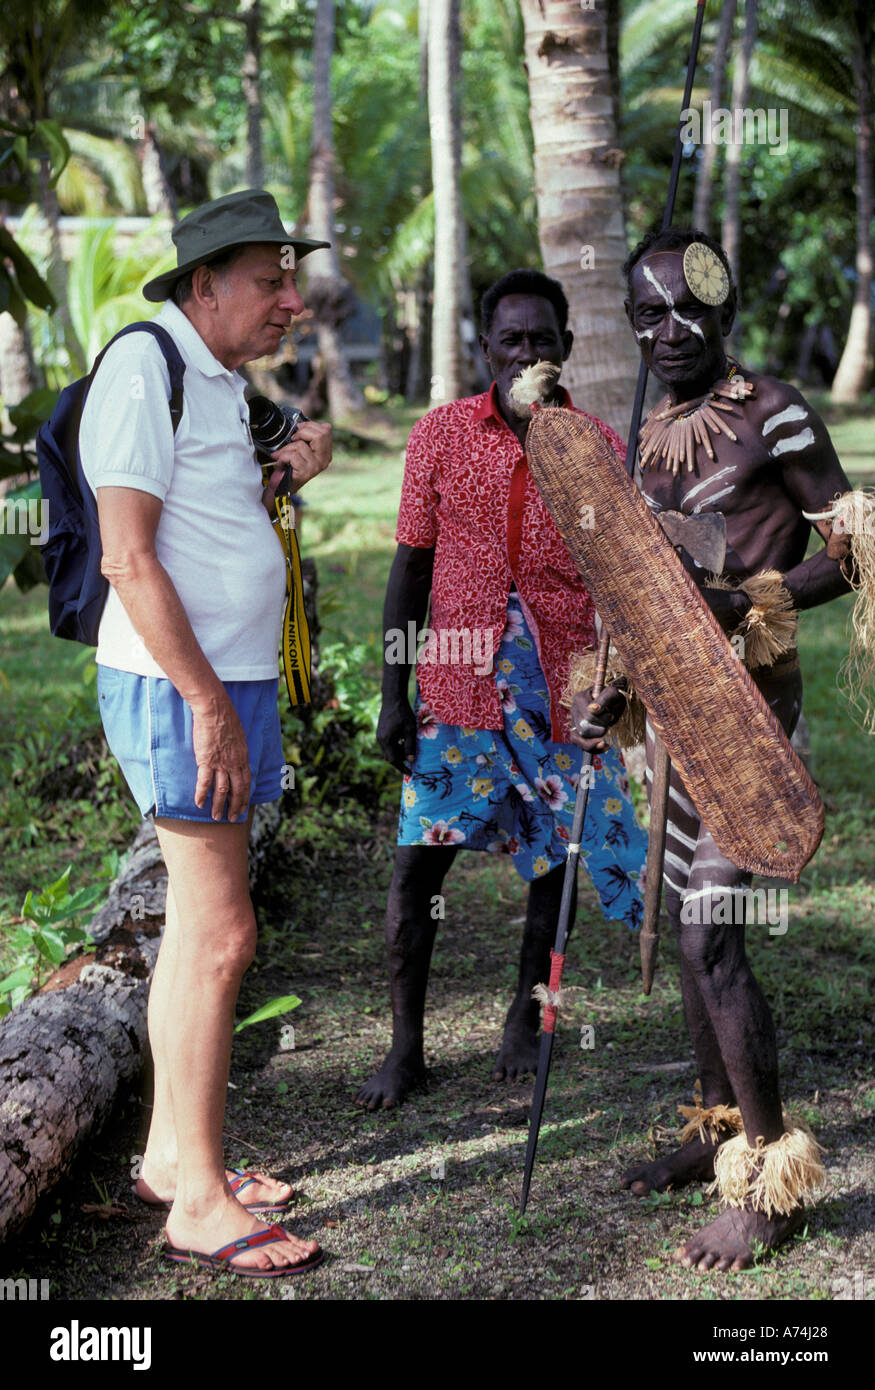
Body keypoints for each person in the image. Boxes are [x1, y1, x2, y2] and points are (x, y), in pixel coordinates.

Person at [572, 226, 859, 1272]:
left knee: (709, 937)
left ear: (720, 307)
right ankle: (713, 1133)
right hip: (675, 722)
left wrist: (751, 600)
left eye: (682, 309)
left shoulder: (772, 411)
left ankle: (773, 1183)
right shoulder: (653, 432)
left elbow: (856, 546)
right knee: (692, 950)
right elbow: (647, 587)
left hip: (750, 725)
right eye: (644, 314)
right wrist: (610, 685)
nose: (666, 331)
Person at [79, 189, 332, 1277]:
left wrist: (285, 470)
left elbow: (208, 516)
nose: (290, 298)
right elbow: (125, 557)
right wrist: (204, 705)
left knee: (194, 924)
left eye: (290, 276)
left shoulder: (215, 381)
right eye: (269, 280)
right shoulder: (143, 366)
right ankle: (201, 1205)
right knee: (224, 934)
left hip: (222, 679)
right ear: (203, 286)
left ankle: (171, 1161)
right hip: (185, 687)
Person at [357, 269, 648, 1112]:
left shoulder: (597, 445)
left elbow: (621, 583)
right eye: (511, 339)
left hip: (559, 693)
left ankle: (524, 1019)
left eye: (542, 338)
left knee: (555, 857)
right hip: (456, 688)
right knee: (418, 864)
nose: (528, 352)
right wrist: (392, 692)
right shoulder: (440, 435)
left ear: (566, 346)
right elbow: (410, 569)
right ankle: (405, 1045)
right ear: (486, 349)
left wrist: (613, 693)